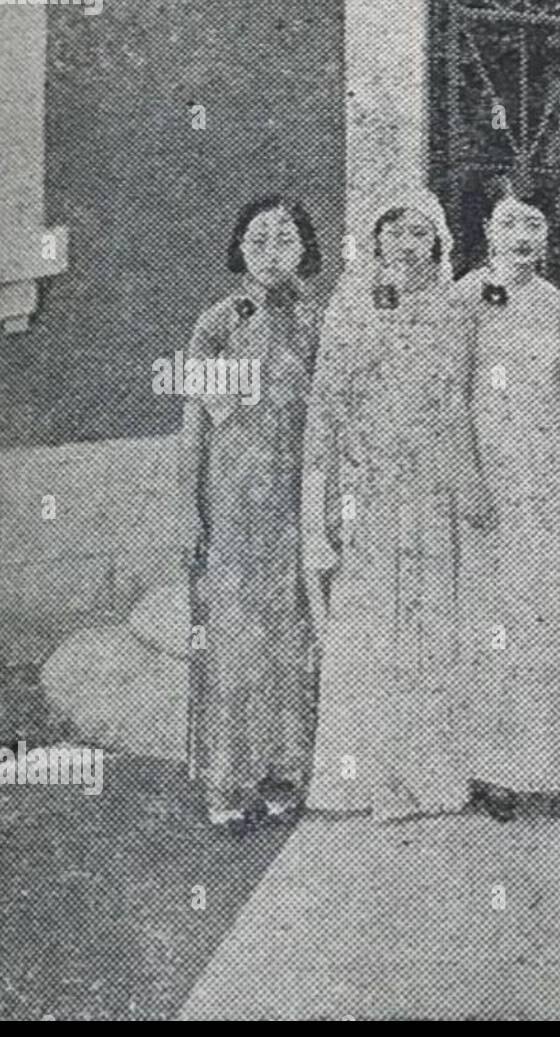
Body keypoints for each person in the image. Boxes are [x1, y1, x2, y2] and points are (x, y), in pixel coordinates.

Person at [301, 188, 496, 823]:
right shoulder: (351, 310)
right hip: (369, 487)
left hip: (432, 491)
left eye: (421, 235)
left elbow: (458, 404)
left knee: (429, 630)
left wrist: (469, 485)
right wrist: (324, 497)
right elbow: (327, 406)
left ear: (437, 247)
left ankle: (429, 778)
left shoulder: (453, 315)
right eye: (397, 232)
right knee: (370, 631)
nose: (408, 246)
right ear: (377, 240)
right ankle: (361, 779)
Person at [451, 177, 560, 822]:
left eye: (535, 223)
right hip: (491, 485)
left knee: (554, 622)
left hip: (551, 481)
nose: (523, 236)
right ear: (486, 230)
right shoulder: (463, 300)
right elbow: (447, 402)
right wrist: (469, 478)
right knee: (498, 626)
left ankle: (553, 769)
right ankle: (495, 771)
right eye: (510, 223)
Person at [180, 195, 323, 830]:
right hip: (233, 506)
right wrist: (190, 510)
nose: (271, 254)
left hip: (298, 504)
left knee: (293, 640)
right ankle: (226, 782)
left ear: (305, 250)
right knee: (234, 642)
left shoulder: (318, 323)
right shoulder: (217, 323)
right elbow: (195, 431)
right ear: (239, 248)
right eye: (259, 240)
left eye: (285, 240)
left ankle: (284, 771)